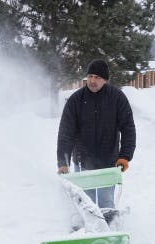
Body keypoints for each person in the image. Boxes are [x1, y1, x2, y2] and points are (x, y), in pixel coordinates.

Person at [56, 59, 136, 210]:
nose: (92, 80)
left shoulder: (117, 98)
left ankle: (109, 230)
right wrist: (62, 162)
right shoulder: (76, 100)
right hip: (82, 163)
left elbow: (128, 129)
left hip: (108, 163)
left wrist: (125, 156)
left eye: (97, 77)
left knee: (106, 204)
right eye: (90, 76)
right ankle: (87, 231)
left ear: (105, 80)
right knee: (87, 205)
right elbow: (66, 133)